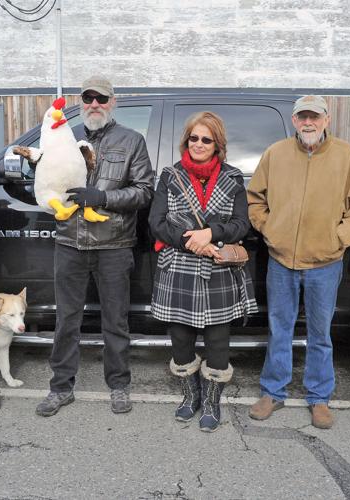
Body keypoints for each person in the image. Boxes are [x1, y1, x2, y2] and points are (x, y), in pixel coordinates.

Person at [246, 95, 350, 429]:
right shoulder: (275, 154)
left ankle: (319, 397)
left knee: (320, 333)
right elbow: (255, 200)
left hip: (325, 263)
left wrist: (337, 239)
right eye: (302, 116)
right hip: (281, 261)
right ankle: (273, 392)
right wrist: (271, 230)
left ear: (326, 120)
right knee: (279, 329)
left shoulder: (345, 156)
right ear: (294, 120)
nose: (308, 122)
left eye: (314, 117)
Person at [35, 75, 154, 417]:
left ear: (113, 102)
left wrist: (103, 198)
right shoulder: (62, 137)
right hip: (69, 243)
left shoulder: (132, 141)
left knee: (115, 321)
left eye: (101, 98)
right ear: (81, 102)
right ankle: (60, 388)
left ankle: (119, 385)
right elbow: (45, 186)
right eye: (88, 98)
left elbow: (145, 191)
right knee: (66, 321)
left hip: (114, 244)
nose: (94, 104)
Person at [150, 111, 257, 432]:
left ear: (217, 145)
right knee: (181, 340)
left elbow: (242, 224)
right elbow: (156, 223)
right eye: (193, 138)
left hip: (218, 270)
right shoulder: (170, 176)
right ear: (186, 141)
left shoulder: (233, 178)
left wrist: (211, 233)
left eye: (206, 139)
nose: (198, 144)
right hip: (178, 267)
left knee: (218, 342)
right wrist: (191, 242)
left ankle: (212, 400)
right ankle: (190, 395)